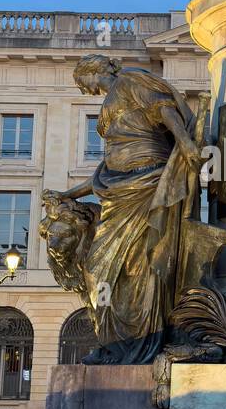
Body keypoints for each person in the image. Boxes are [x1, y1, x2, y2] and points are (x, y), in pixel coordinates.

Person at [41, 56, 200, 364]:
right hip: (119, 187)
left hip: (147, 180)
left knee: (141, 266)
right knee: (98, 268)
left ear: (92, 71)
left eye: (81, 81)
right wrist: (68, 193)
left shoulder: (130, 81)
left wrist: (185, 144)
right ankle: (115, 343)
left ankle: (142, 341)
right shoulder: (113, 97)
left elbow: (162, 108)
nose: (84, 89)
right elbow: (103, 172)